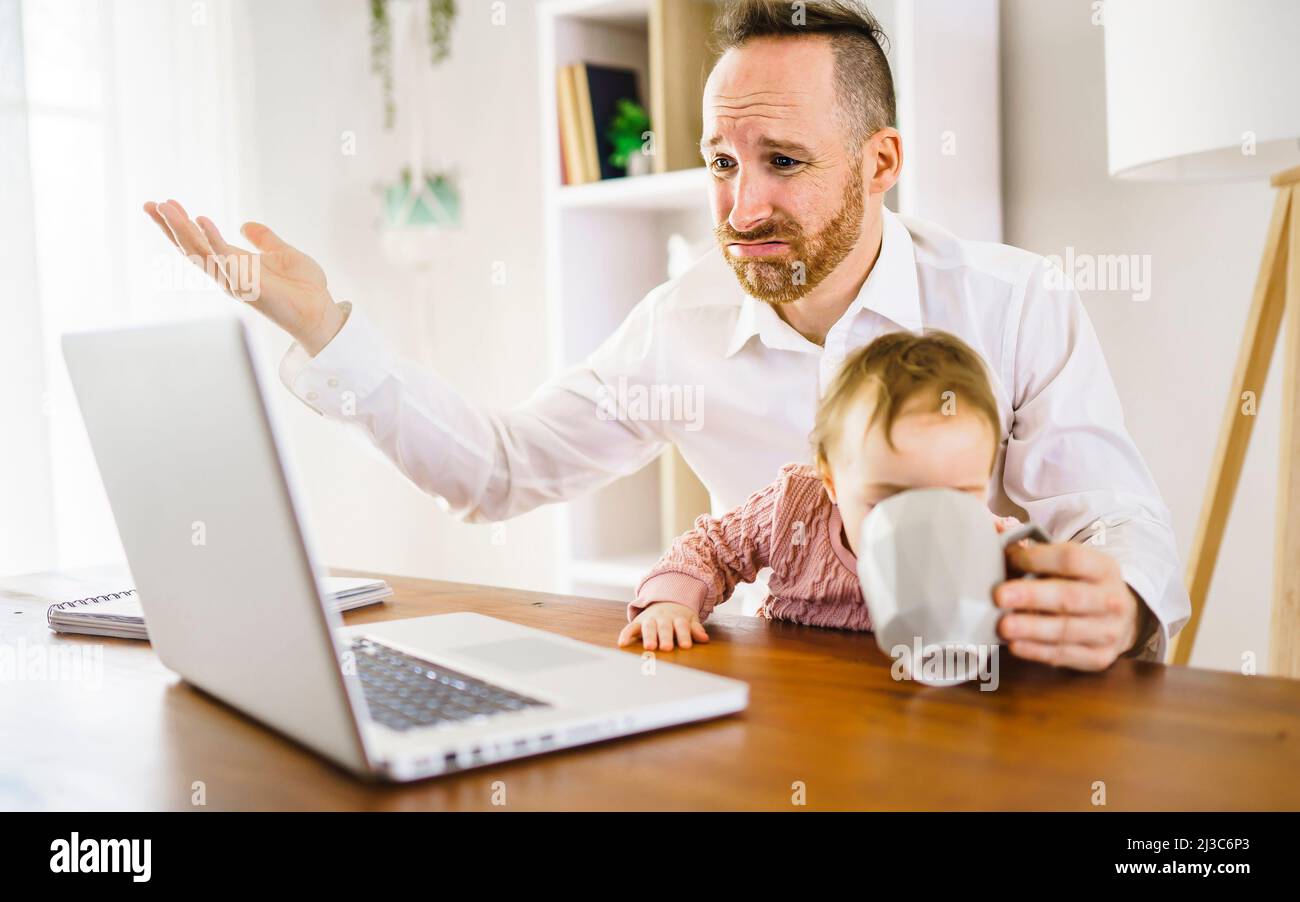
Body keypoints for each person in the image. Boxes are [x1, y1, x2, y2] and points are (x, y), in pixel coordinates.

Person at [142, 0, 1188, 670]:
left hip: (993, 725)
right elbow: (499, 472)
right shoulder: (676, 327)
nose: (735, 209)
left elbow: (1114, 519)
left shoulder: (1017, 301)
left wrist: (1127, 606)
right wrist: (324, 328)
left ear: (880, 163)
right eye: (721, 162)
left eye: (781, 159)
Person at [619, 329, 1043, 652]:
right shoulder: (795, 508)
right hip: (797, 696)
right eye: (889, 500)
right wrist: (671, 603)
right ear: (831, 478)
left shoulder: (992, 544)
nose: (927, 520)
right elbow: (711, 547)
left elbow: (1037, 621)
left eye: (957, 497)